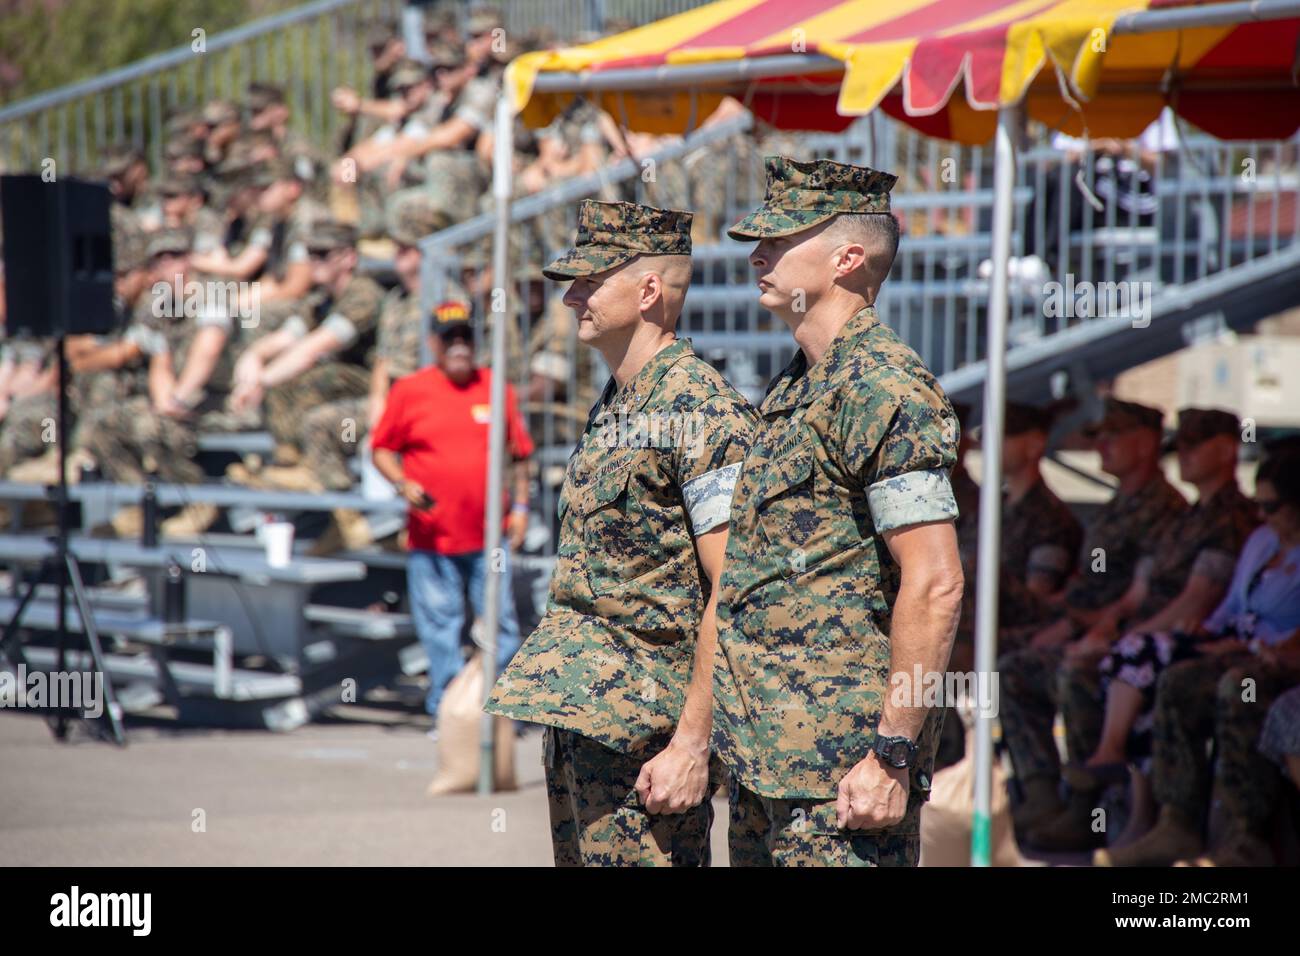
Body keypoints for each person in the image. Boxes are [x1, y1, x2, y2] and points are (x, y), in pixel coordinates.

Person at [485, 200, 758, 867]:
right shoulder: (618, 404)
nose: (572, 297)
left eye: (589, 281)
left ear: (647, 292)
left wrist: (692, 744)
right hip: (585, 719)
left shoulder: (699, 409)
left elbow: (736, 588)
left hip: (646, 739)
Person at [713, 156, 964, 867]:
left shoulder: (882, 386)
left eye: (781, 239)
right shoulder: (801, 385)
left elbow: (935, 581)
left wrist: (891, 754)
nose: (758, 254)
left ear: (848, 257)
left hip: (844, 770)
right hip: (770, 760)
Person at [1028, 406, 1258, 850]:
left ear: (1228, 449)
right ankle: (1100, 810)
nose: (1184, 454)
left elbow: (1197, 598)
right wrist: (1107, 630)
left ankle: (1159, 820)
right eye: (1182, 444)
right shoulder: (1189, 516)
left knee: (1136, 672)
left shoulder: (1230, 515)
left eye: (1195, 444)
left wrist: (1124, 638)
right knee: (1089, 667)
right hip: (1148, 635)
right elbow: (1137, 593)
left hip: (1193, 642)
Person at [1093, 451, 1300, 866]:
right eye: (1258, 504)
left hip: (1273, 659)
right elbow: (1227, 606)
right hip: (1232, 643)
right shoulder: (1261, 542)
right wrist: (1202, 629)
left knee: (1238, 690)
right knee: (1165, 673)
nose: (1262, 514)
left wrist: (1251, 645)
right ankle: (1172, 820)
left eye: (1271, 506)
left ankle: (1244, 836)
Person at [999, 398, 1187, 836]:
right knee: (1012, 668)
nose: (1101, 444)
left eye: (1113, 435)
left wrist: (1080, 627)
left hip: (1122, 639)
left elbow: (1142, 596)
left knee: (1070, 674)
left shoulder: (1163, 508)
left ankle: (1089, 808)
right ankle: (1040, 792)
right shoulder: (1115, 504)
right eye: (1098, 435)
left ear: (1147, 443)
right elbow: (1087, 581)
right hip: (1082, 626)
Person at [370, 306, 533, 723]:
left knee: (502, 629)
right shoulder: (409, 390)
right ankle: (447, 714)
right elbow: (382, 448)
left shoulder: (497, 388)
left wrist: (520, 508)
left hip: (488, 535)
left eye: (465, 337)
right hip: (432, 536)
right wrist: (402, 483)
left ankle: (494, 717)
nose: (459, 346)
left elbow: (519, 456)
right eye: (450, 338)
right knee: (441, 632)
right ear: (434, 344)